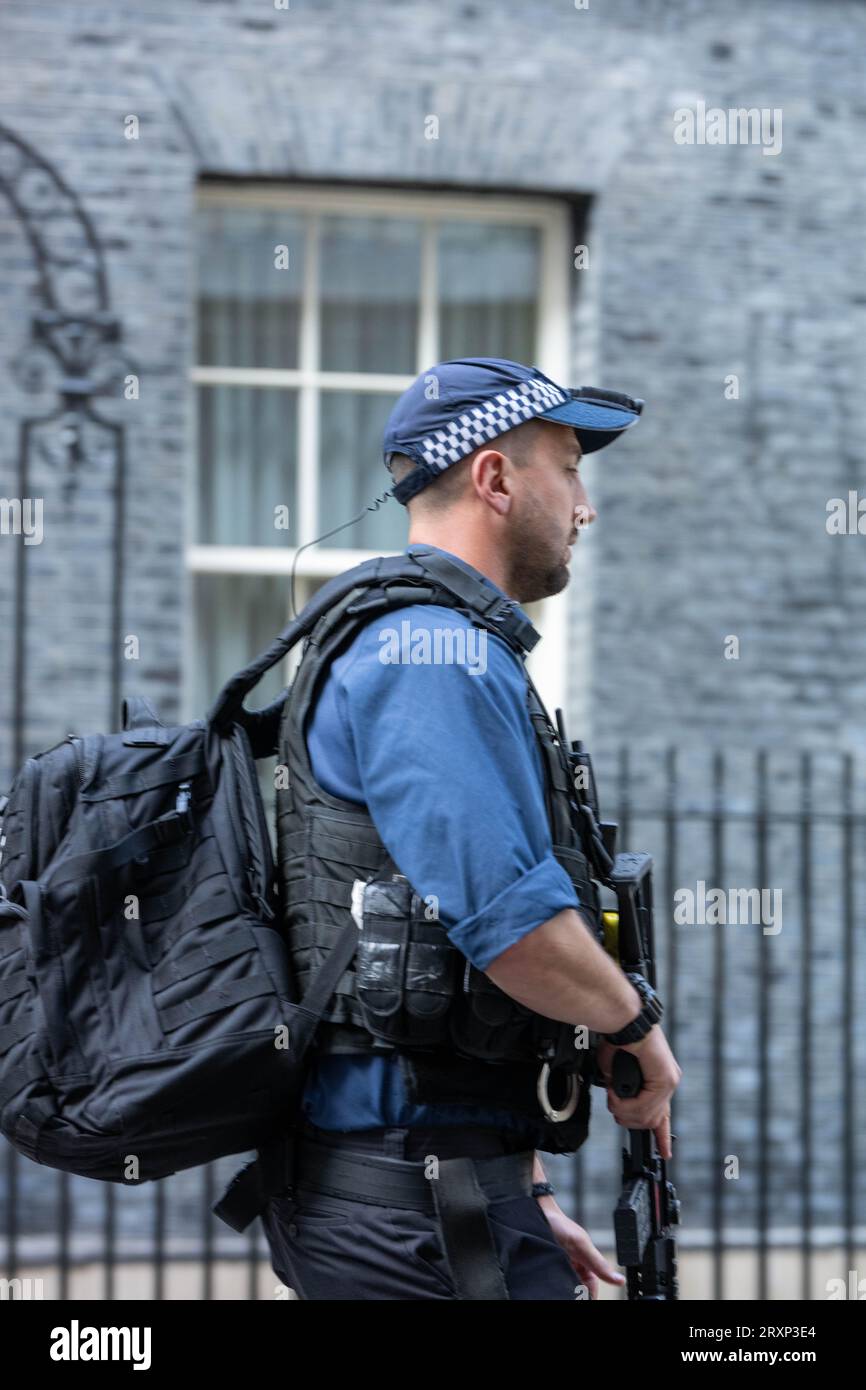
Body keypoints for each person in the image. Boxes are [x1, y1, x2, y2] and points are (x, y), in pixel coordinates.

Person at [260, 357, 682, 1300]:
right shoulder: (432, 654)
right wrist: (635, 1027)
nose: (586, 504)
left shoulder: (439, 643)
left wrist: (519, 1187)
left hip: (439, 1188)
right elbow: (509, 922)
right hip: (413, 1213)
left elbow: (431, 928)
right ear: (494, 478)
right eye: (570, 468)